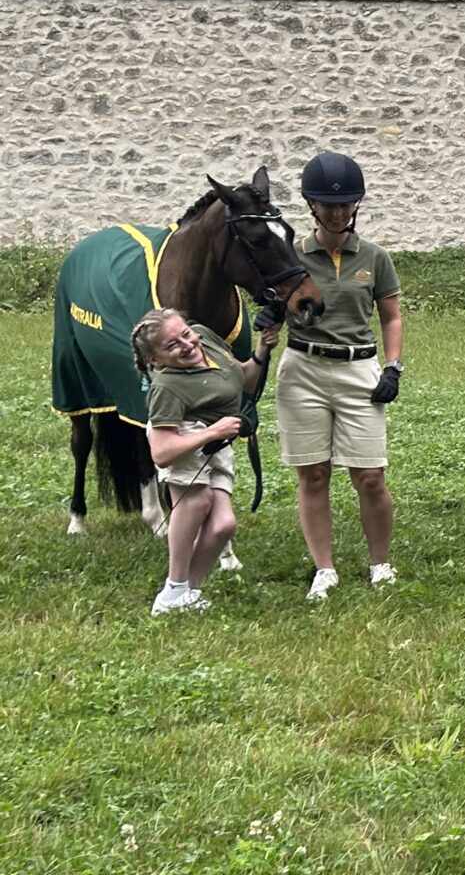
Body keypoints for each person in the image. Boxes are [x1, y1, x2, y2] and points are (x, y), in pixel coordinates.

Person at [277, 152, 403, 602]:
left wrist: (393, 365)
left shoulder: (374, 257)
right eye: (328, 205)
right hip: (303, 367)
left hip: (358, 368)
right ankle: (324, 567)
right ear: (312, 207)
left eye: (346, 204)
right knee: (313, 474)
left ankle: (380, 561)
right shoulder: (291, 257)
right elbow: (273, 304)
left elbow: (390, 316)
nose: (337, 212)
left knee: (370, 475)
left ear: (356, 206)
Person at [134, 306, 278, 616]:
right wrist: (211, 431)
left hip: (217, 438)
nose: (187, 345)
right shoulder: (167, 387)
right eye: (172, 345)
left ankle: (186, 593)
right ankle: (172, 588)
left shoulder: (207, 341)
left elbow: (245, 381)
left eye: (185, 334)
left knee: (224, 525)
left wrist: (263, 348)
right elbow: (161, 452)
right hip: (185, 435)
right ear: (155, 360)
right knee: (196, 503)